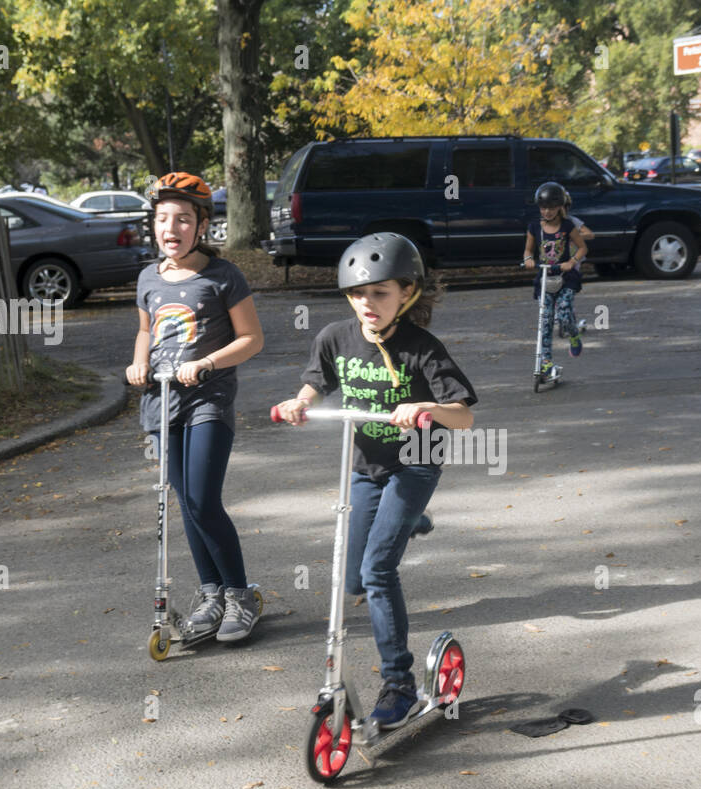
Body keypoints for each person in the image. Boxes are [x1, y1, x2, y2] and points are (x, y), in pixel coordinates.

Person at [274, 233, 477, 729]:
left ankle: (399, 684)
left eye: (380, 293)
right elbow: (316, 381)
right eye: (358, 294)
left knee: (378, 573)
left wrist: (426, 407)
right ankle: (409, 520)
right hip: (365, 464)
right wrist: (300, 402)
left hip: (415, 460)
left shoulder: (422, 347)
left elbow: (464, 417)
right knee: (352, 578)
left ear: (407, 292)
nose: (368, 304)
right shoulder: (335, 337)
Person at [125, 172, 265, 643]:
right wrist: (138, 363)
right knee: (187, 505)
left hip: (208, 397)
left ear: (201, 225)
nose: (171, 227)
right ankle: (211, 595)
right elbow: (147, 330)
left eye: (183, 219)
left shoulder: (222, 276)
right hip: (161, 401)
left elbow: (251, 339)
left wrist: (206, 362)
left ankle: (240, 596)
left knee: (204, 499)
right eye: (163, 218)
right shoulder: (148, 277)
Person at [523, 181, 587, 376]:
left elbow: (583, 247)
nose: (547, 212)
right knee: (546, 321)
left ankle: (574, 335)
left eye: (551, 208)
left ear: (560, 207)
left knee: (566, 313)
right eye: (543, 208)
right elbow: (528, 249)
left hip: (565, 277)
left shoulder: (567, 226)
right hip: (544, 278)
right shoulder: (535, 227)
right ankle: (546, 362)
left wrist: (572, 261)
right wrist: (527, 259)